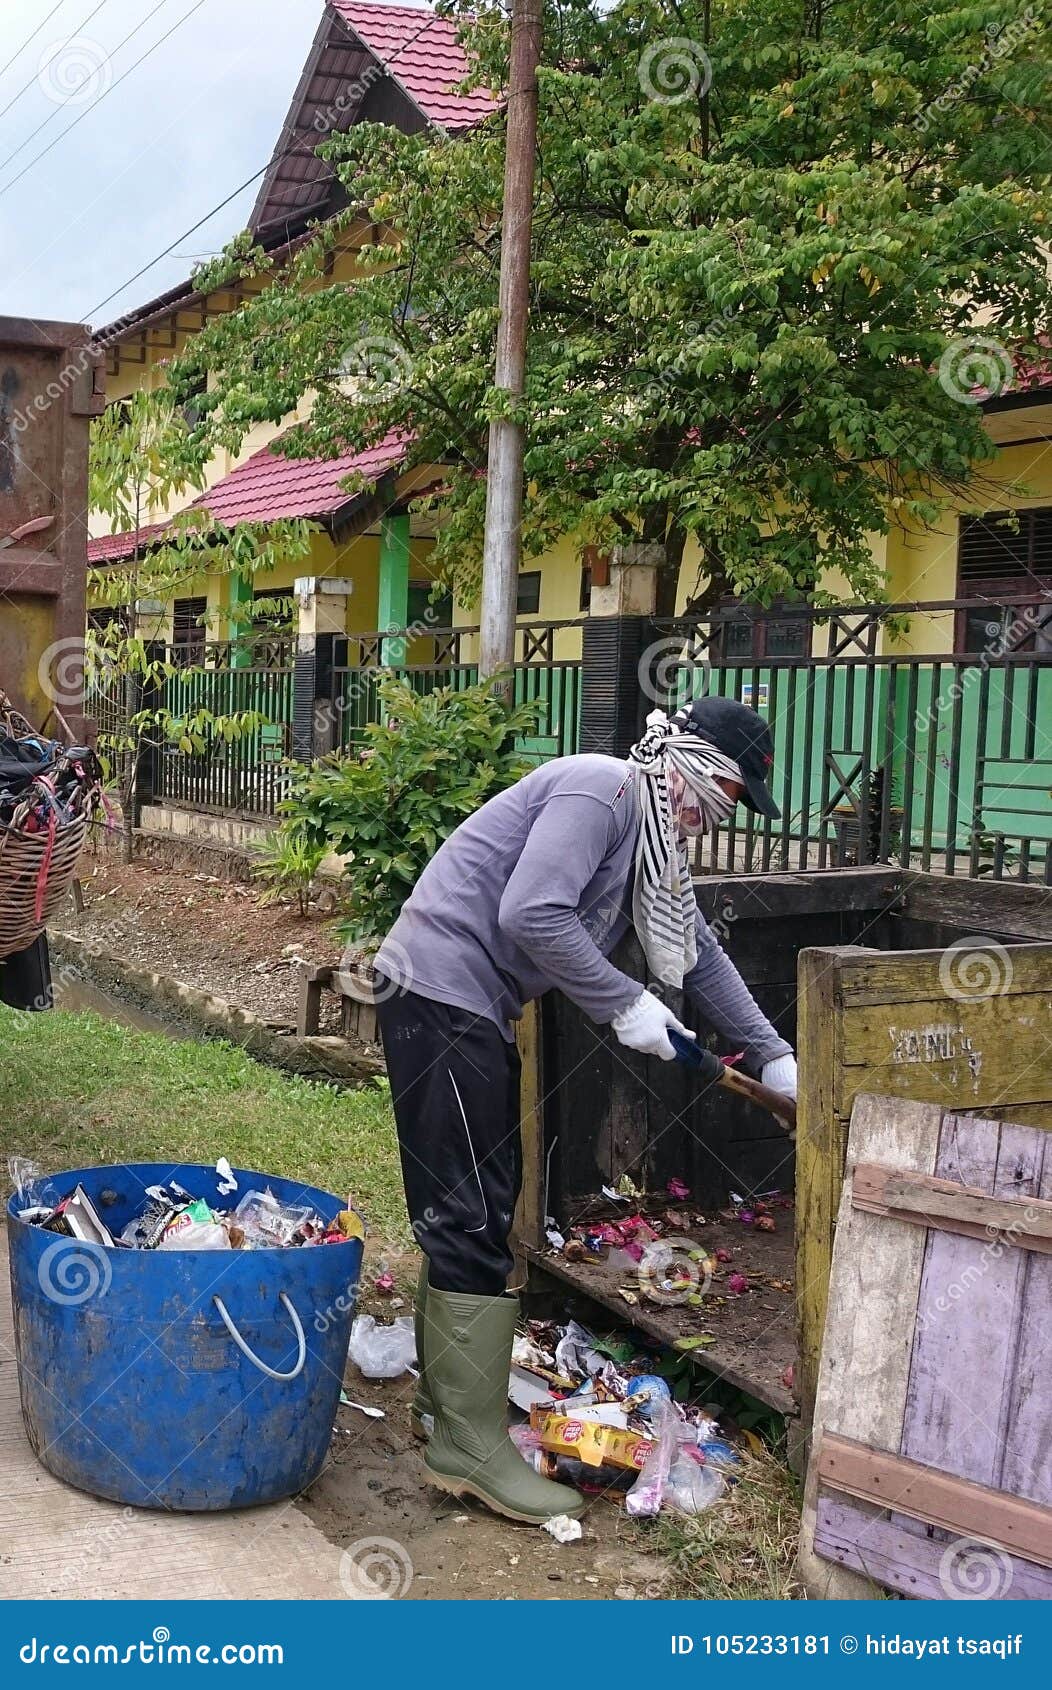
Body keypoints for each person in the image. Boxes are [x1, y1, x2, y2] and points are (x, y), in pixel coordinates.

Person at [374, 696, 797, 1523]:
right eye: (719, 797)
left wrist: (773, 1054)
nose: (711, 820)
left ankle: (444, 1410)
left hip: (470, 1008)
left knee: (473, 1208)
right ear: (685, 765)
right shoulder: (601, 791)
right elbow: (530, 912)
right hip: (437, 994)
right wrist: (623, 1002)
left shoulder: (651, 851)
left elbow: (700, 954)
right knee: (470, 1214)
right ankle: (466, 1448)